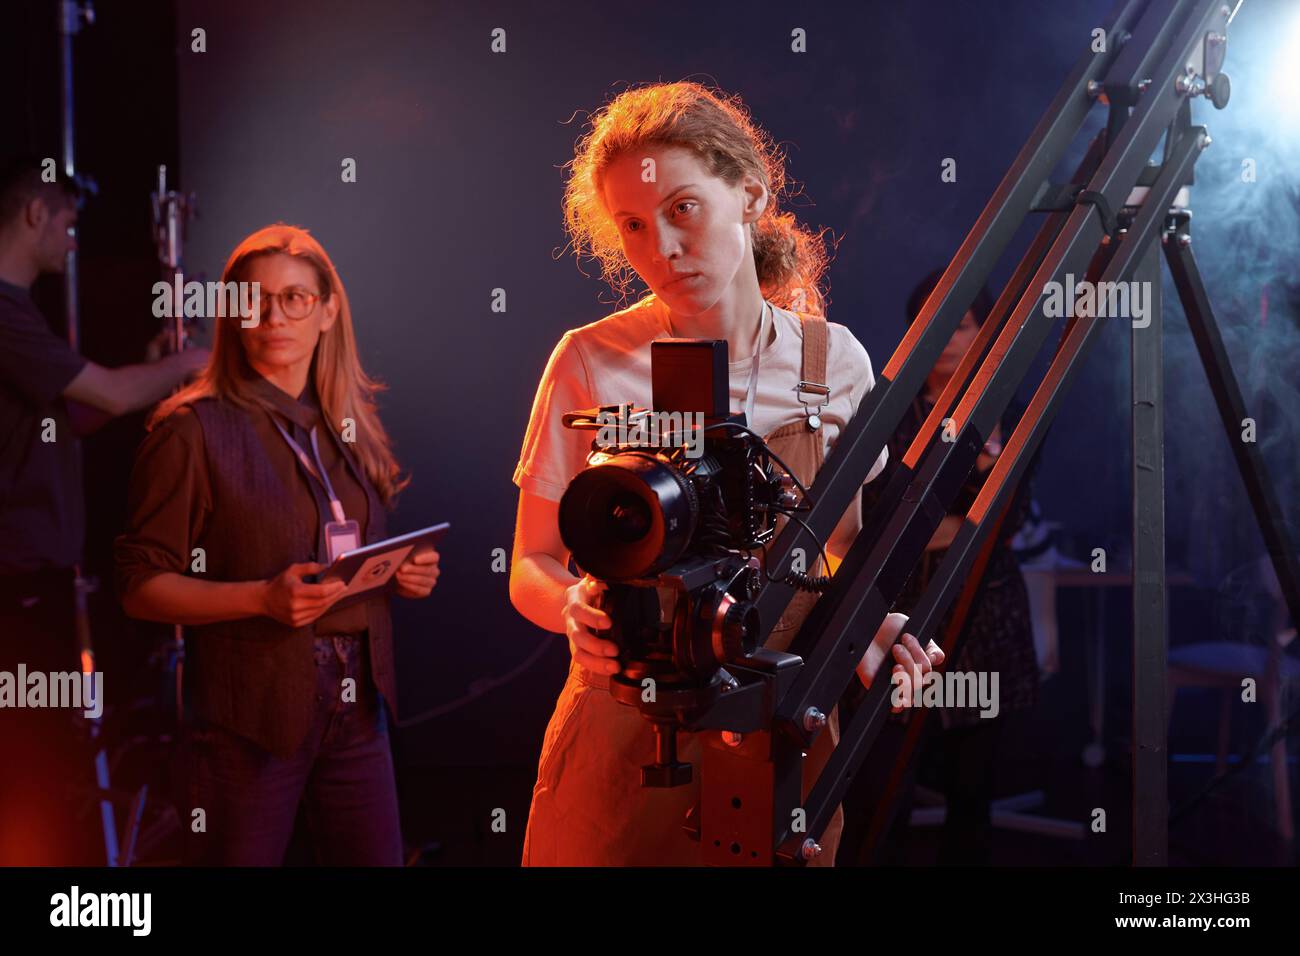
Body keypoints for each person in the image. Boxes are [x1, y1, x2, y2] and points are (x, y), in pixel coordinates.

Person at [509, 81, 944, 866]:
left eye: (683, 209)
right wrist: (572, 609)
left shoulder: (833, 362)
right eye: (633, 227)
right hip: (625, 734)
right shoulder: (589, 359)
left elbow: (836, 551)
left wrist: (872, 623)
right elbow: (530, 566)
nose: (662, 250)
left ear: (750, 193)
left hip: (778, 730)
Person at [114, 224, 440, 866]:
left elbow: (344, 555)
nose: (273, 316)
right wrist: (261, 597)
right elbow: (137, 586)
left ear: (327, 311)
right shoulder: (191, 430)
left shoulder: (348, 423)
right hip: (247, 717)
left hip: (358, 704)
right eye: (254, 300)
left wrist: (401, 571)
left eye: (294, 298)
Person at [0, 152, 207, 864]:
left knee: (49, 742)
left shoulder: (20, 314)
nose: (71, 238)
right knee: (32, 752)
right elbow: (111, 395)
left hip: (38, 575)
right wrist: (186, 365)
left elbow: (78, 414)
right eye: (67, 222)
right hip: (14, 577)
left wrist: (151, 372)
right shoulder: (2, 311)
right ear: (35, 213)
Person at [848, 268, 1041, 865]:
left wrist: (943, 526)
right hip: (896, 616)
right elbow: (875, 522)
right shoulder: (890, 410)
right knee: (883, 787)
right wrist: (943, 527)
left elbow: (1000, 524)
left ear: (983, 331)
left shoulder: (1007, 406)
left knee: (971, 790)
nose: (948, 339)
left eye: (961, 325)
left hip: (983, 615)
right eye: (936, 325)